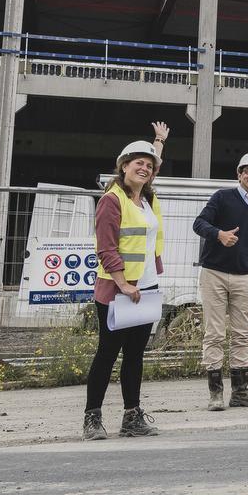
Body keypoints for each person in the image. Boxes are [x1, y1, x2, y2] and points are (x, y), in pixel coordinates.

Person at [82, 140, 164, 440]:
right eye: (138, 163)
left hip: (146, 287)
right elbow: (106, 247)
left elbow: (153, 167)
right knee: (107, 353)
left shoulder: (148, 199)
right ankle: (92, 418)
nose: (144, 168)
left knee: (135, 355)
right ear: (124, 166)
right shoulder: (111, 200)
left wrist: (158, 144)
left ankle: (132, 416)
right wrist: (123, 284)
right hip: (119, 290)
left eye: (149, 166)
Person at [192, 152, 248, 411]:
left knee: (241, 334)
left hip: (245, 277)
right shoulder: (221, 197)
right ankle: (215, 393)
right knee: (214, 333)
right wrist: (219, 234)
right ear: (238, 175)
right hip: (214, 273)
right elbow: (199, 223)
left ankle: (240, 391)